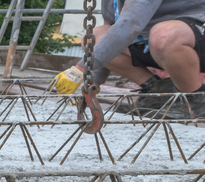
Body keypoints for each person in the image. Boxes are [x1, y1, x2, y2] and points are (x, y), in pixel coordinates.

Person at [51, 0, 205, 118]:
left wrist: (80, 69)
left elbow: (130, 26)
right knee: (95, 38)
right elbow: (111, 39)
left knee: (163, 35)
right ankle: (158, 90)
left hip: (195, 35)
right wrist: (91, 86)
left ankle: (196, 99)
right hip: (156, 45)